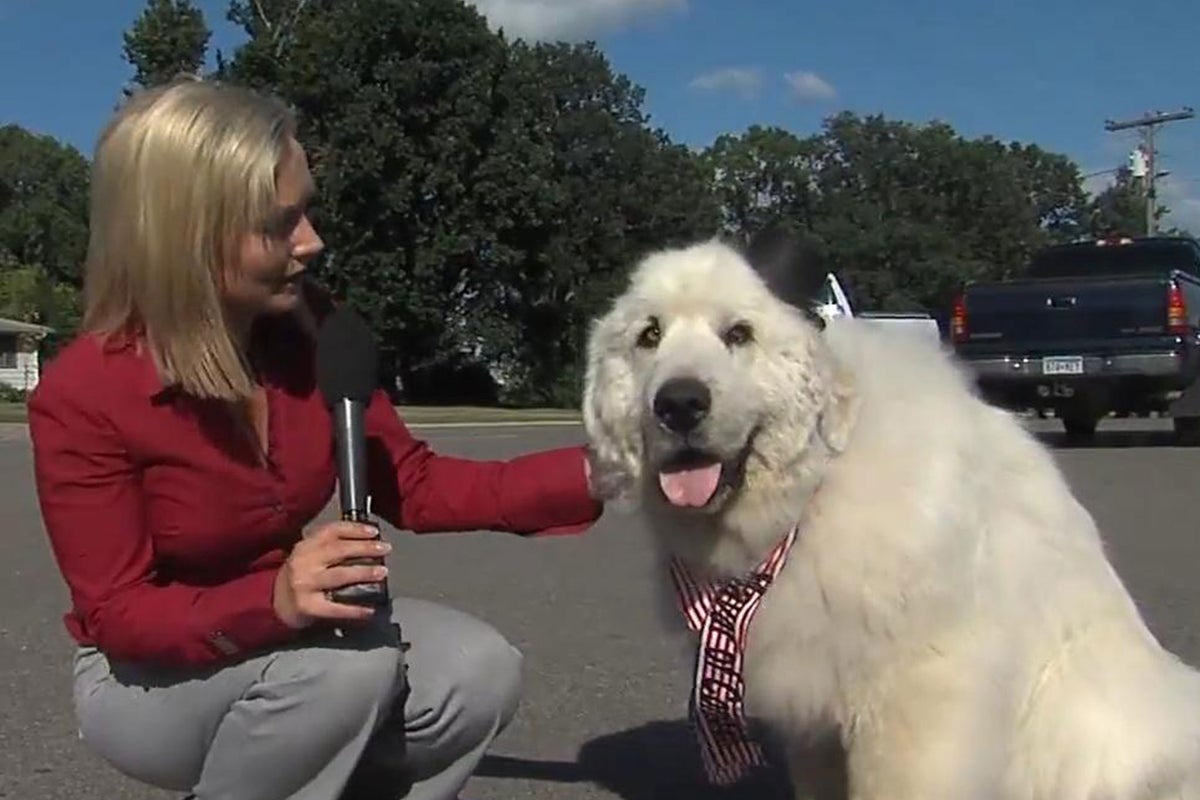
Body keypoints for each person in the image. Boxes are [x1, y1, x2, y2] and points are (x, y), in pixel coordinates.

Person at [26, 76, 603, 800]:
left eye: (308, 212)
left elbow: (415, 484)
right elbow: (120, 615)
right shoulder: (85, 394)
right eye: (279, 224)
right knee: (347, 672)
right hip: (148, 679)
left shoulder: (317, 329)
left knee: (477, 669)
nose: (313, 241)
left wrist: (603, 469)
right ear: (184, 238)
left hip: (302, 642)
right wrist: (271, 600)